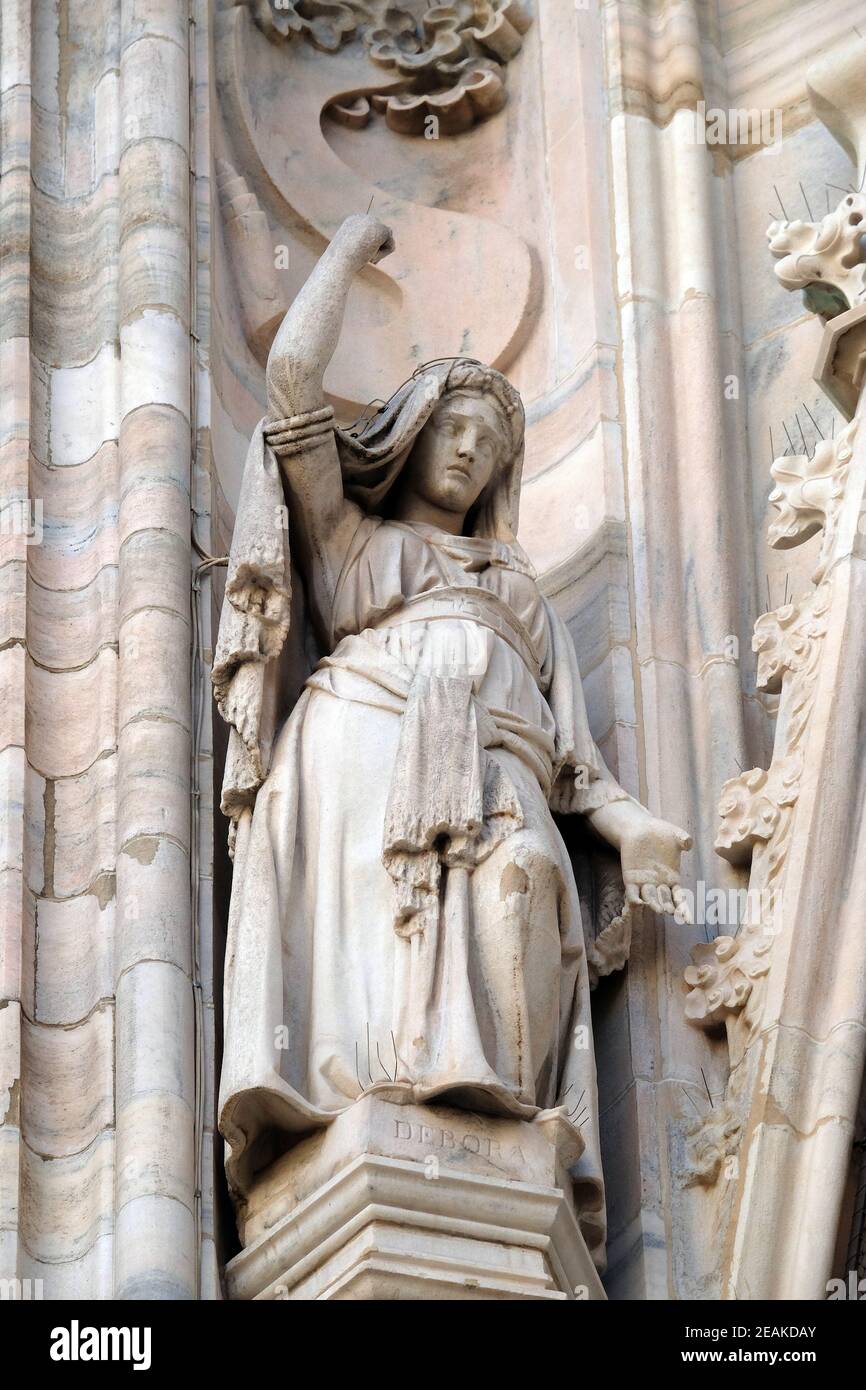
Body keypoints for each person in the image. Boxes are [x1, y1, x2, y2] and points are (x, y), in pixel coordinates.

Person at [213, 214, 691, 1265]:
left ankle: (499, 1124)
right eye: (454, 426)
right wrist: (341, 252)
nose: (471, 450)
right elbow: (292, 378)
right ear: (413, 429)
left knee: (523, 876)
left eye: (492, 442)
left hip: (500, 775)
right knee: (385, 941)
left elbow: (574, 761)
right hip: (360, 757)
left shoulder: (520, 590)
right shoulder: (353, 546)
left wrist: (636, 825)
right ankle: (376, 1123)